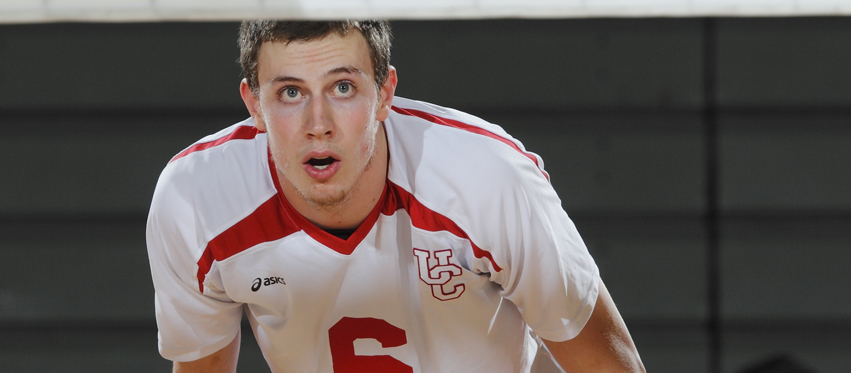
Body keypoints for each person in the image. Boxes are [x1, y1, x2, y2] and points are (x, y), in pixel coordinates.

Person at [146, 20, 645, 372]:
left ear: (385, 94)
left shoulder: (485, 178)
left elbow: (606, 363)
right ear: (253, 103)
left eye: (342, 87)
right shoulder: (196, 199)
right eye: (290, 93)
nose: (318, 126)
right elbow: (203, 364)